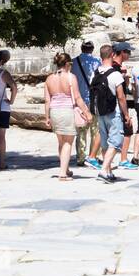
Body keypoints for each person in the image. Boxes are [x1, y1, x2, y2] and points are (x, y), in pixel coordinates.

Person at [44, 52, 90, 180]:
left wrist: (47, 117)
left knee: (61, 142)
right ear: (67, 64)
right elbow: (77, 97)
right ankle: (63, 174)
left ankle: (65, 168)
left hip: (54, 111)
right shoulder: (71, 77)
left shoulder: (49, 78)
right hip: (66, 111)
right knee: (68, 142)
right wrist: (87, 112)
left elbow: (47, 100)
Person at [91, 43, 131, 182]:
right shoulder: (115, 74)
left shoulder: (95, 73)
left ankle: (108, 172)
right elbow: (121, 97)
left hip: (100, 112)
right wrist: (126, 115)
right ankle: (103, 170)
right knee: (116, 142)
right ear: (112, 55)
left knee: (104, 142)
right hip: (113, 112)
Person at [71, 42, 102, 169]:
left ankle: (80, 157)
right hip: (94, 99)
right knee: (95, 129)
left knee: (81, 130)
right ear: (92, 49)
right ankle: (94, 155)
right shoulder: (97, 61)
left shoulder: (74, 62)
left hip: (80, 100)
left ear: (82, 48)